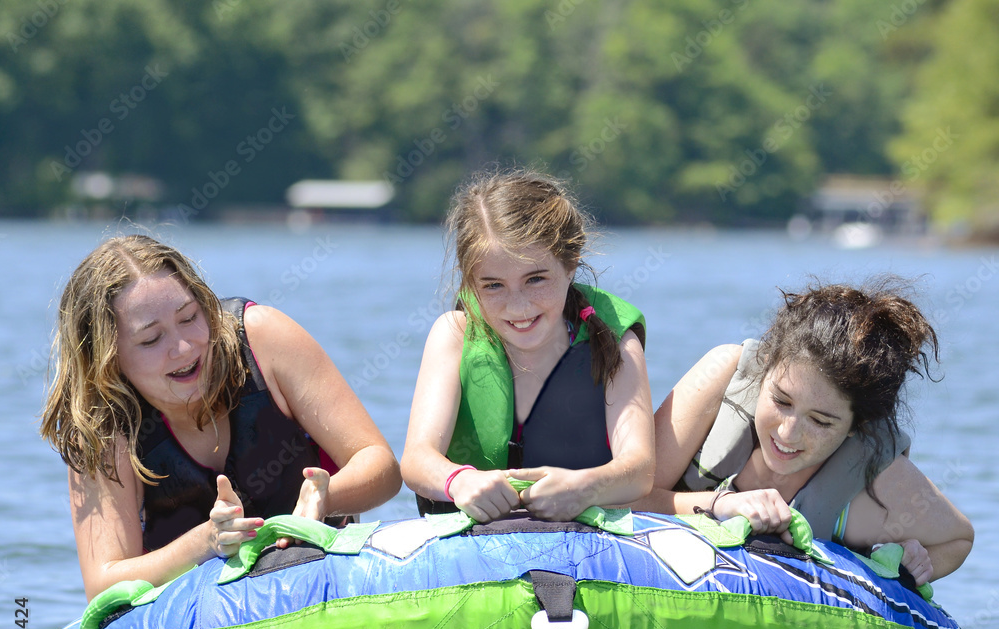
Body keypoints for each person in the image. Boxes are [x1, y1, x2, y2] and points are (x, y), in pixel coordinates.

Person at [42, 235, 402, 600]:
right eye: (151, 340)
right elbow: (103, 582)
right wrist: (206, 541)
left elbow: (381, 466)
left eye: (189, 317)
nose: (184, 347)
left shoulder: (262, 339)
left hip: (327, 583)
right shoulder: (103, 426)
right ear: (107, 358)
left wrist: (326, 497)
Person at [633, 278, 973, 584]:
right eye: (781, 400)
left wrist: (908, 558)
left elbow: (957, 540)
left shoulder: (871, 469)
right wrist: (721, 505)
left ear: (859, 426)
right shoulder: (723, 378)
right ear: (766, 366)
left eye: (821, 421)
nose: (788, 433)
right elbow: (628, 495)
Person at [400, 170, 654, 524]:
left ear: (571, 264)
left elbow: (639, 470)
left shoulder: (614, 341)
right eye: (493, 286)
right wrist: (458, 480)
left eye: (535, 279)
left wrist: (587, 487)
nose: (518, 307)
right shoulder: (453, 336)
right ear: (470, 281)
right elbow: (415, 459)